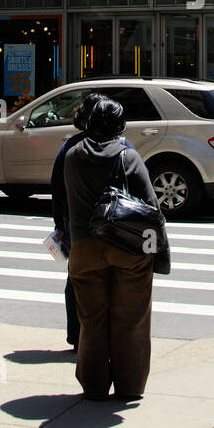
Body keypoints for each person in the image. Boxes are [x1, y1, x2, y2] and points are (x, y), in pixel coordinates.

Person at [64, 96, 168, 401]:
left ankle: (94, 386)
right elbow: (152, 209)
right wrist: (156, 251)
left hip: (84, 247)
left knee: (92, 321)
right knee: (130, 320)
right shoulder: (128, 156)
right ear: (119, 125)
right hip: (126, 248)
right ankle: (130, 386)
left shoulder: (71, 156)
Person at [50, 92, 106, 349]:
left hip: (76, 223)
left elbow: (57, 190)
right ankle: (100, 334)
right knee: (106, 279)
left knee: (76, 278)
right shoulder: (119, 147)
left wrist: (59, 223)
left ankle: (77, 335)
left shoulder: (70, 146)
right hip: (109, 225)